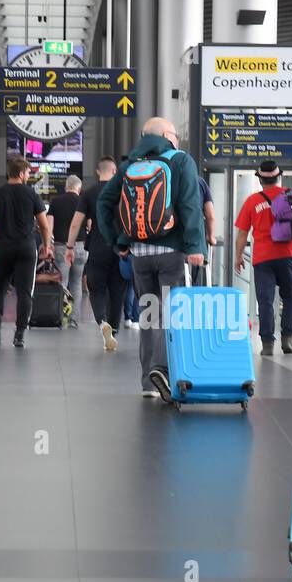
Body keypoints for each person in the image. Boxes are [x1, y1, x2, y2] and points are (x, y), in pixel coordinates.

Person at [95, 117, 206, 400]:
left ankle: (148, 382)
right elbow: (190, 205)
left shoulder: (129, 166)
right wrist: (195, 246)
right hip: (173, 254)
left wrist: (117, 242)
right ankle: (164, 372)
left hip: (140, 256)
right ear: (167, 136)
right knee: (173, 315)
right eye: (175, 134)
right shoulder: (180, 161)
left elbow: (104, 203)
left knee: (149, 315)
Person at [0, 155, 52, 348]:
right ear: (20, 173)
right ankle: (19, 334)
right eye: (27, 172)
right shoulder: (32, 194)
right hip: (26, 249)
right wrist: (47, 246)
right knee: (25, 292)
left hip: (3, 249)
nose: (28, 175)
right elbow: (44, 225)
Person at [234, 161, 292, 357]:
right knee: (290, 296)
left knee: (265, 300)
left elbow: (242, 234)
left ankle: (267, 344)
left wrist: (238, 256)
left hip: (263, 258)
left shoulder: (252, 201)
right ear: (278, 177)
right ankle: (288, 338)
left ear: (261, 179)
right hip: (288, 254)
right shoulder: (291, 195)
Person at [66, 156, 124, 351]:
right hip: (120, 249)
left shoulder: (89, 193)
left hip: (98, 248)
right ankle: (113, 331)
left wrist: (69, 247)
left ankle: (102, 322)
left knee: (96, 289)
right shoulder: (124, 192)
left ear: (98, 171)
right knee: (117, 292)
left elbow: (76, 222)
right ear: (115, 171)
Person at [48, 174, 87, 326]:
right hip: (81, 247)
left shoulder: (56, 202)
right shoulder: (83, 202)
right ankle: (74, 320)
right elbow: (90, 223)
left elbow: (49, 224)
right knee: (77, 283)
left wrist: (48, 243)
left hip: (61, 247)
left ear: (66, 187)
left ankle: (60, 317)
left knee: (62, 283)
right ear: (79, 188)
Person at [191, 175, 219, 286]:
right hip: (195, 243)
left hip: (170, 246)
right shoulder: (199, 181)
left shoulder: (165, 178)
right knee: (192, 284)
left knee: (164, 291)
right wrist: (211, 236)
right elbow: (210, 214)